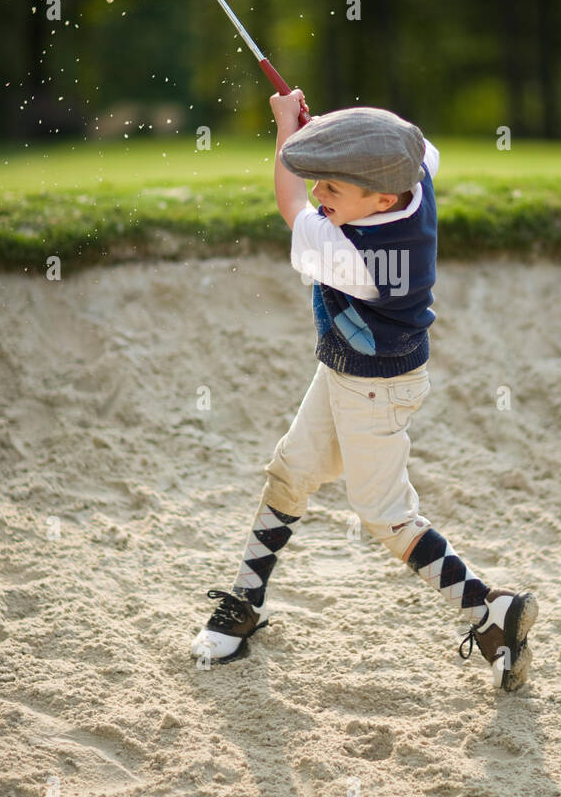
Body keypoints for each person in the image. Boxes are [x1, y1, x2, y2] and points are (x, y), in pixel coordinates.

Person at [191, 89, 538, 690]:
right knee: (292, 470)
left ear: (380, 198)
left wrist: (286, 131)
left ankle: (489, 610)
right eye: (321, 181)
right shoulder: (413, 177)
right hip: (354, 372)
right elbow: (412, 143)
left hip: (373, 388)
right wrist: (329, 136)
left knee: (385, 516)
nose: (320, 194)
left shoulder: (352, 252)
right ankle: (247, 602)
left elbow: (286, 199)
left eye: (333, 187)